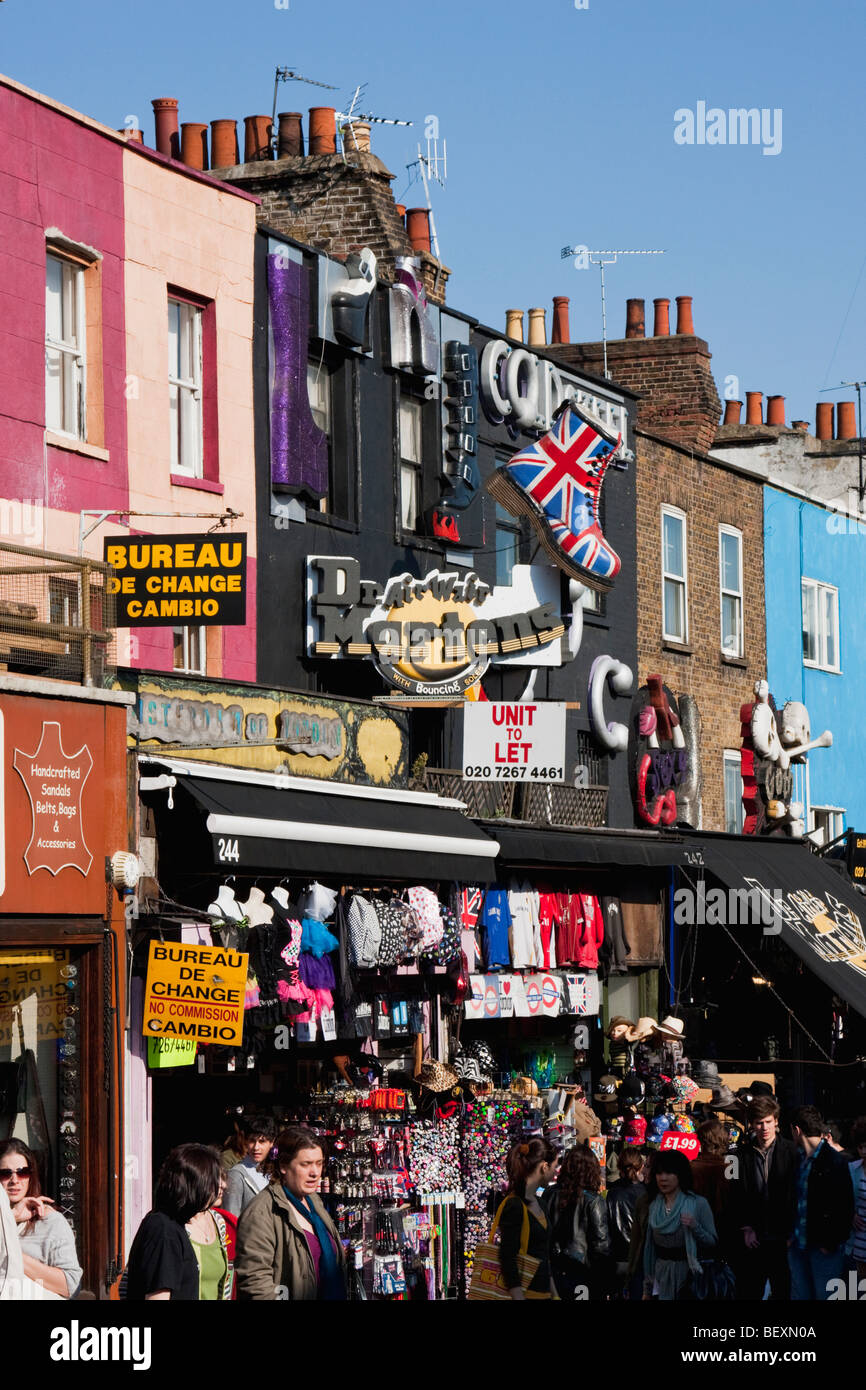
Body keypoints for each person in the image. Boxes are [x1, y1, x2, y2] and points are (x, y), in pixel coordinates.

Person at [235, 1126, 346, 1300]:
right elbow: (256, 1283)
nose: (315, 1173)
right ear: (284, 1166)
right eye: (306, 1164)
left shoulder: (313, 1201)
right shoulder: (262, 1213)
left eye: (319, 1163)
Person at [126, 1143, 230, 1300]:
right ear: (195, 1183)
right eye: (213, 1180)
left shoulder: (171, 1225)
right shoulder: (164, 1229)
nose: (222, 1185)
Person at [731, 1095, 798, 1301]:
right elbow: (733, 1195)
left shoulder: (793, 1152)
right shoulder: (736, 1156)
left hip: (784, 1237)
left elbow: (798, 1194)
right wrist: (745, 1227)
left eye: (768, 1121)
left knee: (784, 1291)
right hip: (753, 1237)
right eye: (759, 1123)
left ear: (776, 1121)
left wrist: (793, 1231)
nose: (764, 1127)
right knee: (749, 1291)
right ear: (752, 1124)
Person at [787, 1105, 854, 1301]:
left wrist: (830, 1243)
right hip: (798, 1244)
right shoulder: (798, 1159)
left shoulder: (834, 1161)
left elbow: (845, 1206)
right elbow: (791, 1198)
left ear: (796, 1130)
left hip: (823, 1248)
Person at [0, 1139, 82, 1298]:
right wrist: (11, 1217)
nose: (15, 1180)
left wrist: (13, 1254)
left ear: (31, 1176)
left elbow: (70, 1285)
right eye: (5, 1173)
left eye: (22, 1172)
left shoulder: (50, 1221)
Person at [643, 1150, 717, 1301]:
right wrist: (647, 1289)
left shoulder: (698, 1203)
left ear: (680, 1175)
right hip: (660, 1278)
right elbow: (649, 1249)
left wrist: (695, 1227)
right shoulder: (654, 1206)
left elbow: (712, 1243)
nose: (663, 1178)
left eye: (669, 1173)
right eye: (659, 1173)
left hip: (689, 1279)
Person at [495, 1137, 559, 1301]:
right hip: (525, 1294)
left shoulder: (541, 1204)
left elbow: (544, 1255)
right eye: (554, 1166)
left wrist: (554, 1294)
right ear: (544, 1167)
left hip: (543, 1293)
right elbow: (507, 1258)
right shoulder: (514, 1205)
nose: (555, 1172)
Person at [544, 1144, 611, 1300]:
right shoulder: (593, 1201)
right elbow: (601, 1245)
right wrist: (605, 1281)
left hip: (552, 1273)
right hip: (582, 1273)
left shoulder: (549, 1195)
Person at [608, 1149, 646, 1298]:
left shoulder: (613, 1193)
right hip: (640, 1260)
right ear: (641, 1166)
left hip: (619, 1259)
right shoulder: (648, 1192)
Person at [222, 1115, 276, 1218]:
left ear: (271, 1142)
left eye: (262, 1141)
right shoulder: (236, 1175)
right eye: (252, 1141)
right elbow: (231, 1218)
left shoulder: (277, 1171)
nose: (256, 1147)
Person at [848, 1116, 866, 1282]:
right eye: (861, 1147)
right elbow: (842, 1200)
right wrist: (850, 1215)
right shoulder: (852, 1169)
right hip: (858, 1241)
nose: (864, 1151)